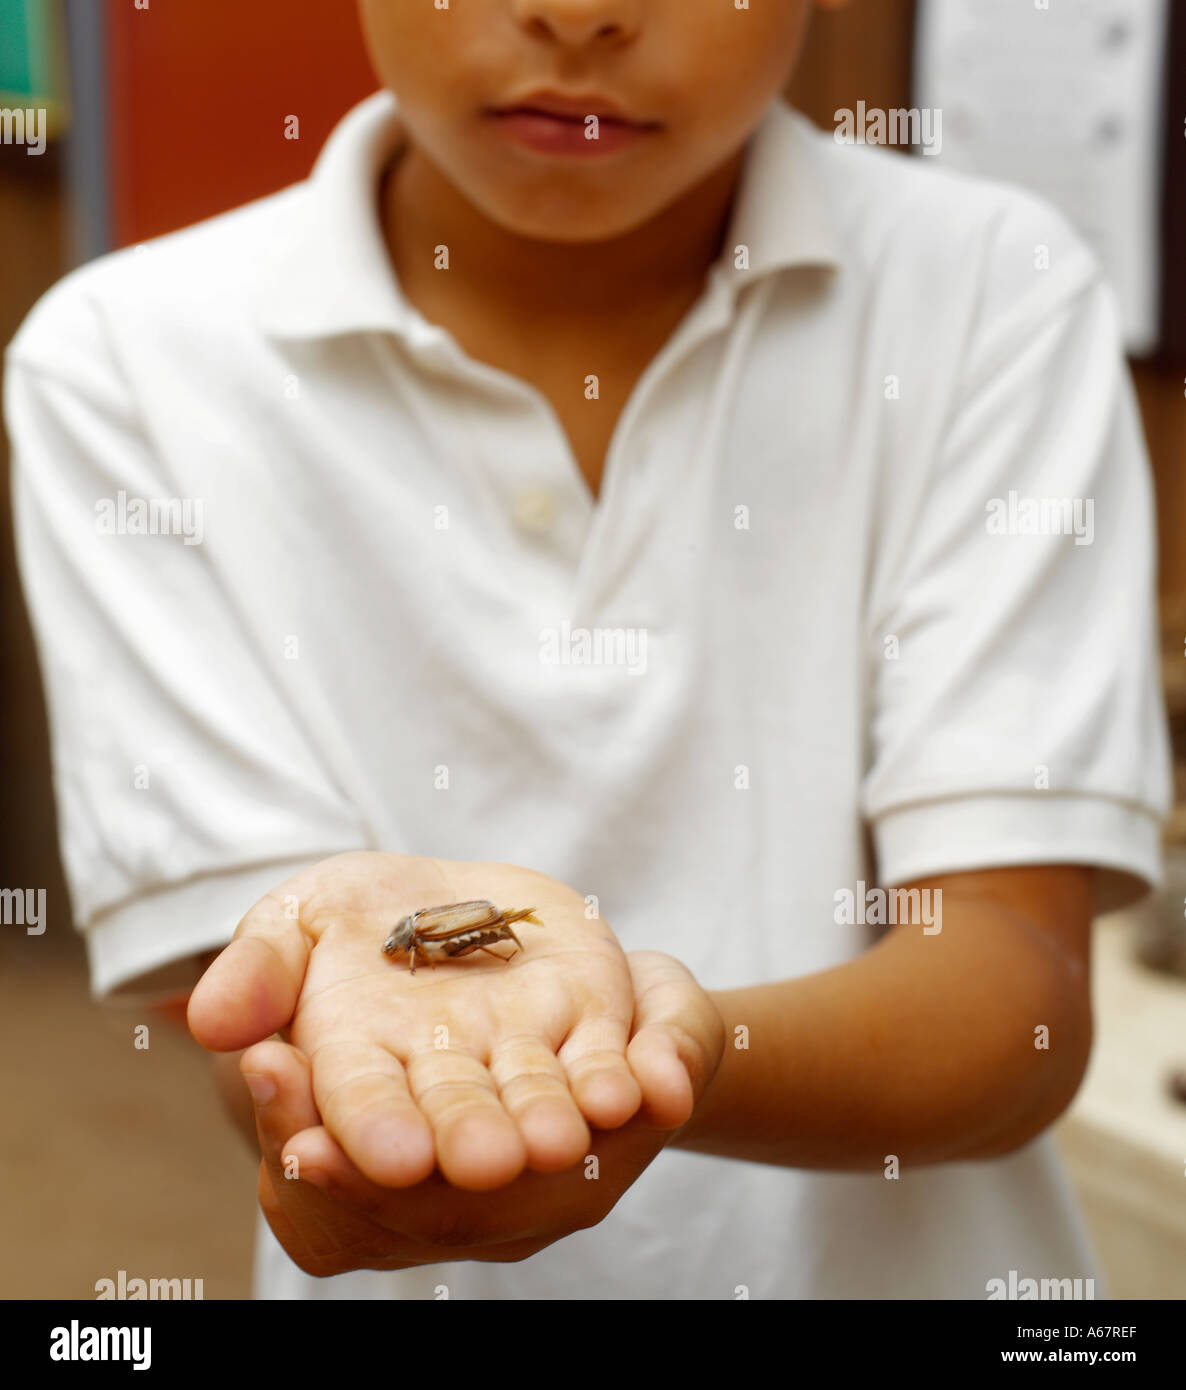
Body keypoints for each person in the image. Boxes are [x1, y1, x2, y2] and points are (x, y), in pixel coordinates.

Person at [5, 0, 1170, 1299]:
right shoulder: (117, 365)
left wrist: (687, 1049)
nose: (577, 14)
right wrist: (349, 1089)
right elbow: (255, 1020)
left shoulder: (995, 289)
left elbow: (1013, 993)